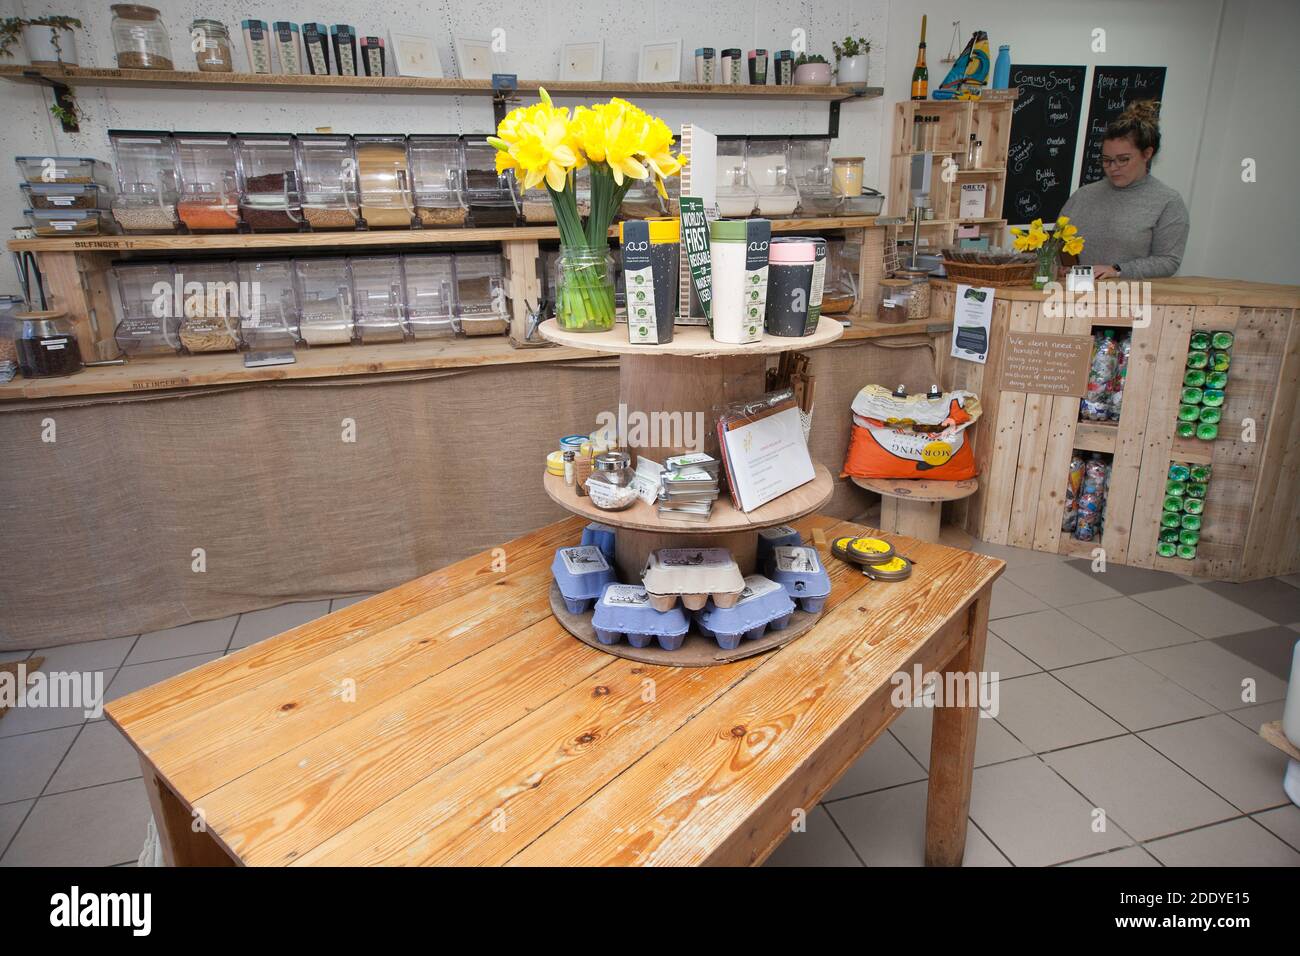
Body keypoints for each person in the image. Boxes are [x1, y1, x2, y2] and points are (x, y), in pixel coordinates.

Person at [1059, 101, 1189, 279]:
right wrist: (1060, 265)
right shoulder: (1084, 195)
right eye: (1106, 160)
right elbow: (1059, 244)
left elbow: (1168, 260)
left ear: (1147, 154)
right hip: (1078, 297)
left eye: (1123, 159)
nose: (1113, 167)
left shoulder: (1167, 201)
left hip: (1131, 301)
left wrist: (1117, 270)